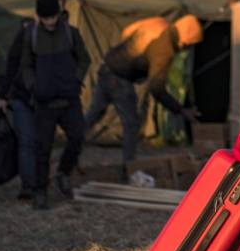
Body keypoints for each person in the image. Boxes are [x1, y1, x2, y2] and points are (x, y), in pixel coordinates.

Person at [85, 15, 203, 164]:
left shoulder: (160, 23)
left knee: (93, 115)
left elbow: (127, 31)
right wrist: (181, 110)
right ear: (185, 40)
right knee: (131, 124)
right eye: (190, 45)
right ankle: (130, 167)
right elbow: (156, 89)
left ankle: (69, 153)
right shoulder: (164, 47)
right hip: (120, 78)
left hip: (106, 68)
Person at [21, 0, 90, 210]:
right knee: (42, 148)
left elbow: (84, 59)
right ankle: (40, 191)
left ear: (58, 14)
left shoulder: (71, 33)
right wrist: (34, 85)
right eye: (45, 18)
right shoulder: (31, 36)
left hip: (69, 98)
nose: (50, 22)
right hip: (44, 101)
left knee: (77, 137)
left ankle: (63, 172)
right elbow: (26, 65)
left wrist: (76, 80)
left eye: (52, 17)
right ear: (39, 16)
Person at [0, 0, 67, 200]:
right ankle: (30, 184)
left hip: (46, 97)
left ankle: (39, 183)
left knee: (40, 142)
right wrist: (4, 94)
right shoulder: (27, 32)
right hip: (24, 95)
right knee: (27, 141)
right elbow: (13, 63)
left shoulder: (65, 33)